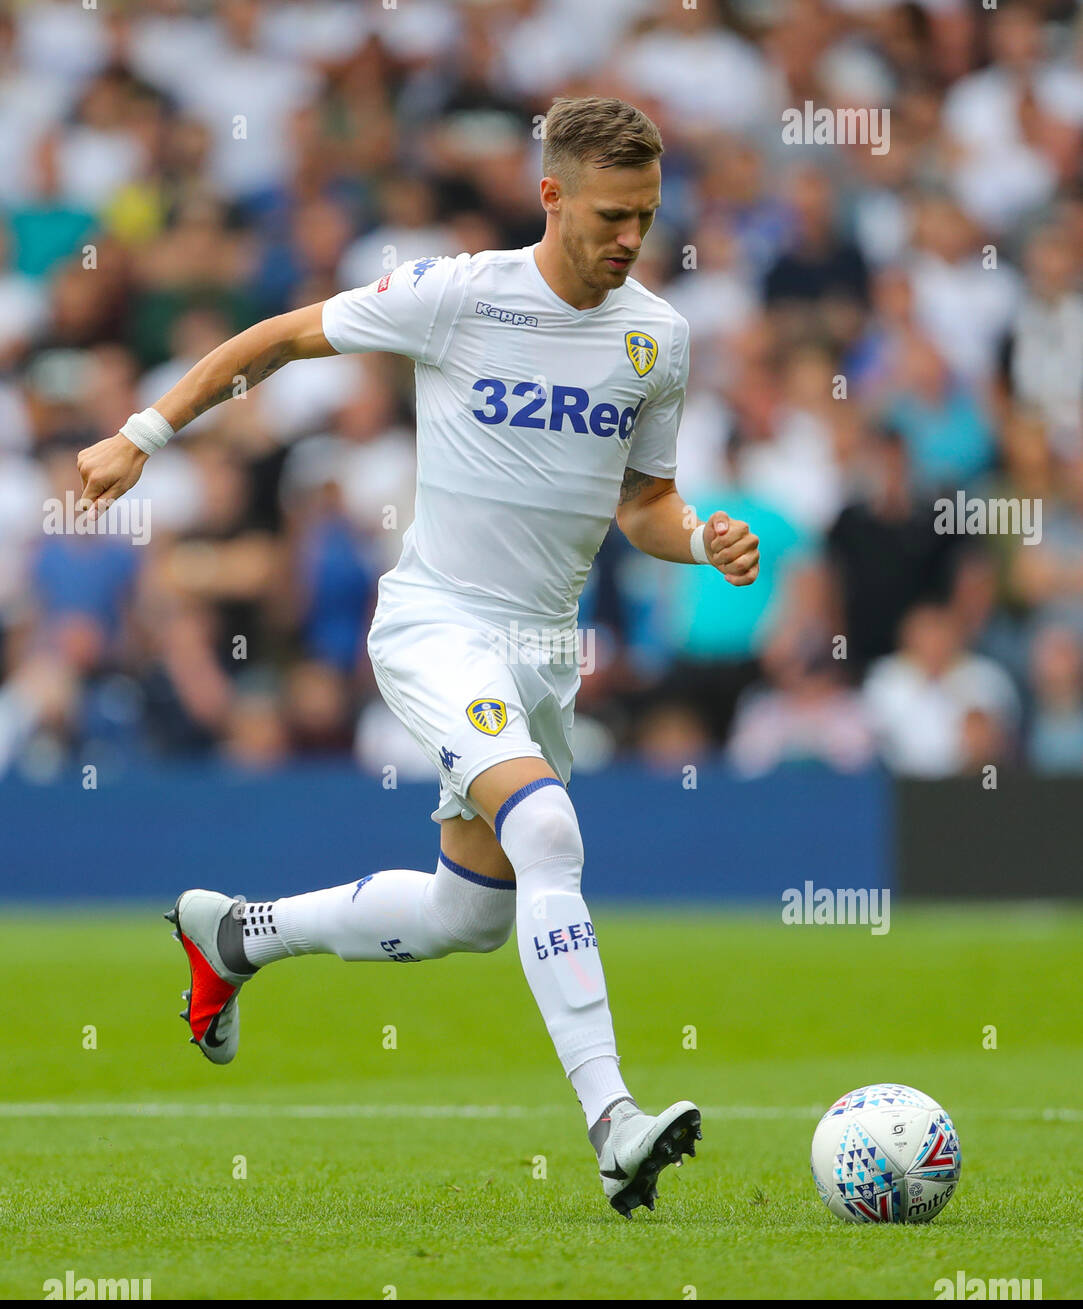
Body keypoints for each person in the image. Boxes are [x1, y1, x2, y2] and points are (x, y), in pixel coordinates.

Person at [74, 96, 761, 1218]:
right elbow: (280, 337)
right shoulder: (460, 294)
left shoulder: (658, 338)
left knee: (472, 915)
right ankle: (614, 1124)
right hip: (439, 623)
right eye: (608, 215)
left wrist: (700, 539)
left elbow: (645, 504)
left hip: (543, 653)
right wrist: (143, 435)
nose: (629, 238)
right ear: (550, 197)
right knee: (546, 828)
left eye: (644, 215)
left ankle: (237, 934)